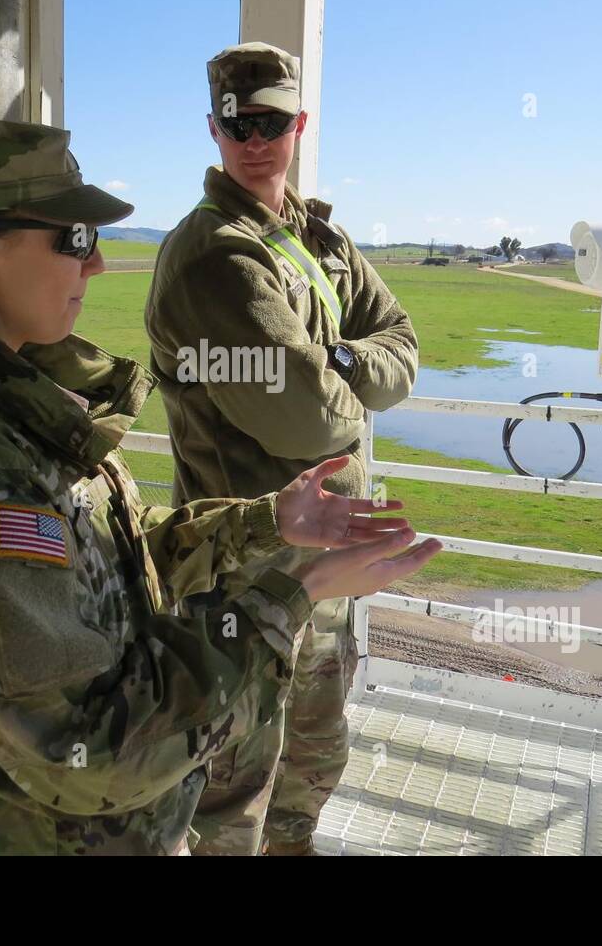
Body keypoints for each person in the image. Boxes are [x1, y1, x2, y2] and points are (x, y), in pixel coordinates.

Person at [0, 119, 440, 855]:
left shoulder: (7, 403)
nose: (97, 268)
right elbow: (90, 751)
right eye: (75, 240)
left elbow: (114, 556)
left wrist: (268, 523)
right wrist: (291, 596)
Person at [144, 44, 421, 855]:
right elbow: (309, 421)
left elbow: (402, 344)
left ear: (298, 124)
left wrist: (339, 361)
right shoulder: (216, 256)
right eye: (236, 122)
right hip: (245, 575)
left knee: (310, 765)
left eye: (270, 120)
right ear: (212, 127)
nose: (252, 137)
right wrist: (346, 389)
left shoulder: (315, 240)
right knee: (233, 799)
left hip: (322, 569)